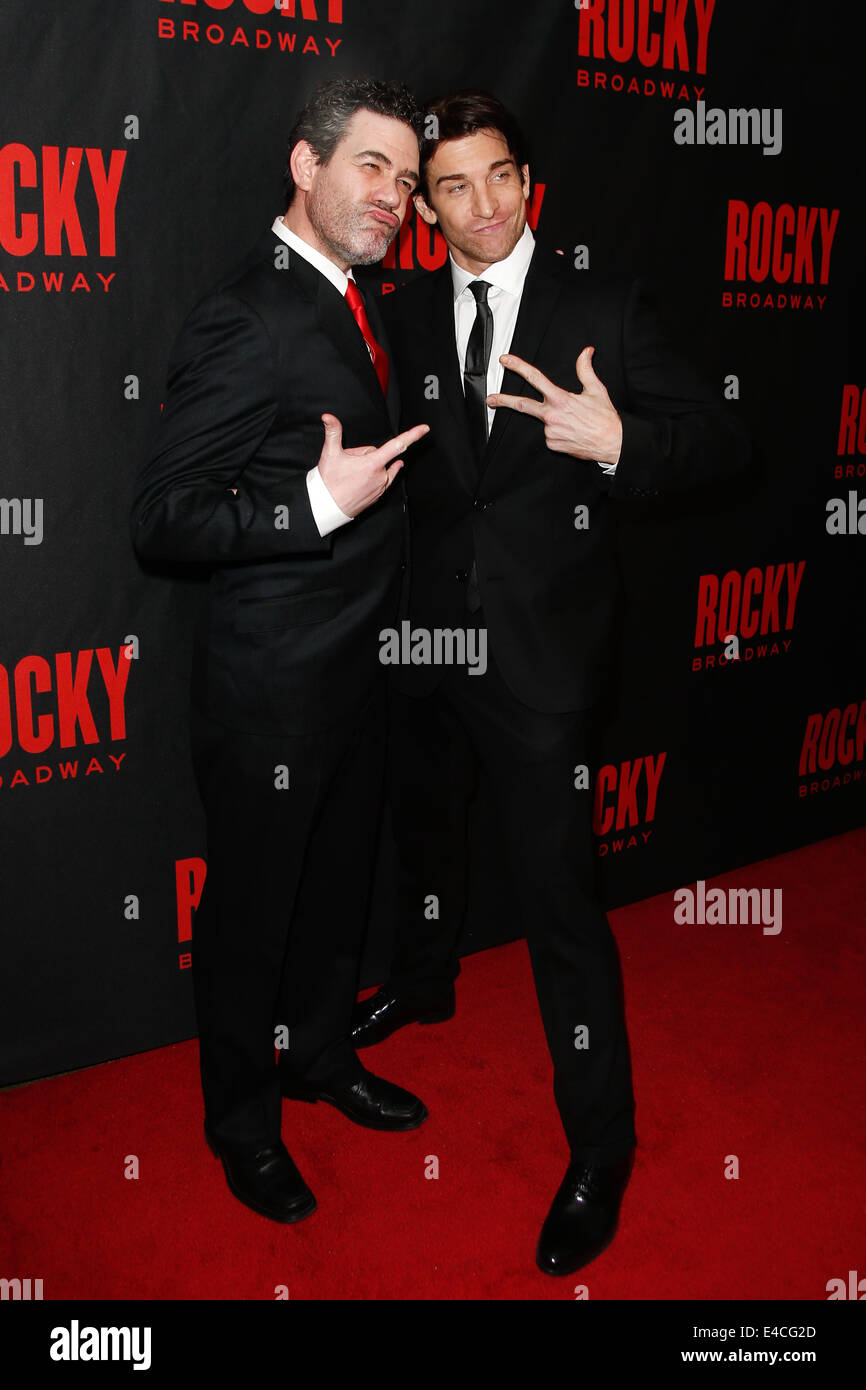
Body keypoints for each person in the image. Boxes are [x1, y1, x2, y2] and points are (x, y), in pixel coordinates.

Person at [352, 89, 751, 1274]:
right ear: (423, 207)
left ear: (532, 183)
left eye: (499, 178)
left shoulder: (602, 307)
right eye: (453, 186)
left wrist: (620, 442)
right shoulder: (408, 311)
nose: (481, 207)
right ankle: (423, 984)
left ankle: (598, 1146)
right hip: (426, 645)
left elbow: (730, 441)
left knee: (557, 906)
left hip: (541, 666)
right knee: (425, 836)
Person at [130, 77, 432, 1225]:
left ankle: (316, 1054)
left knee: (333, 893)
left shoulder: (356, 299)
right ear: (303, 167)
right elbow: (160, 517)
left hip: (358, 672)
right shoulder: (244, 316)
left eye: (406, 181)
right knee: (254, 913)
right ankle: (241, 1125)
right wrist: (306, 506)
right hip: (269, 692)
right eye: (371, 167)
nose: (393, 197)